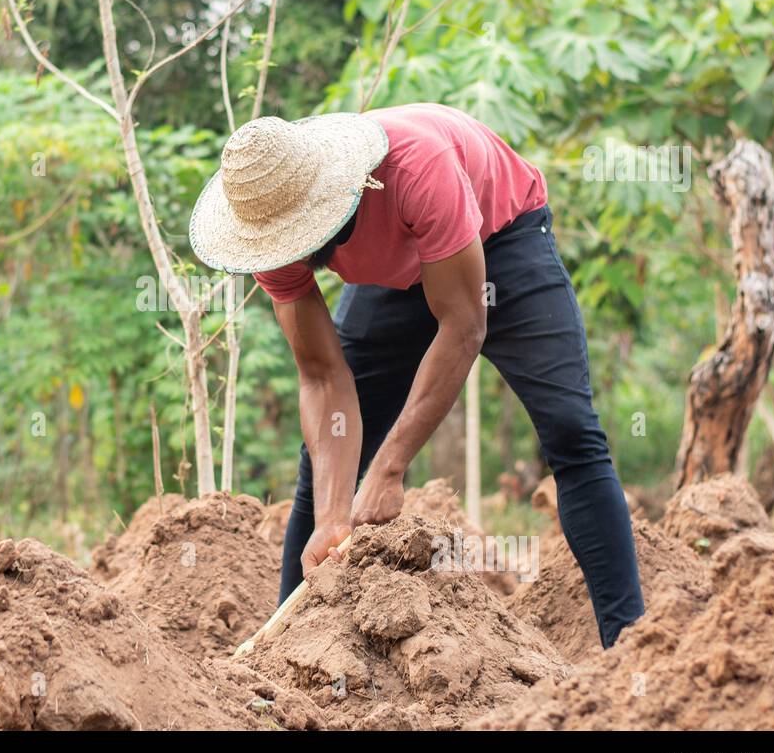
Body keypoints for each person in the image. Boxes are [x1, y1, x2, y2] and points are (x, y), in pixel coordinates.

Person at [188, 103, 644, 648]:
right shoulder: (268, 223)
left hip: (503, 240)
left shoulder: (416, 169)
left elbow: (465, 326)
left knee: (571, 431)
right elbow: (321, 377)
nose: (292, 251)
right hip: (397, 273)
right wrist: (335, 517)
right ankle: (285, 662)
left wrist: (389, 467)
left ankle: (629, 649)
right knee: (325, 466)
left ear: (332, 196)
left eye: (301, 234)